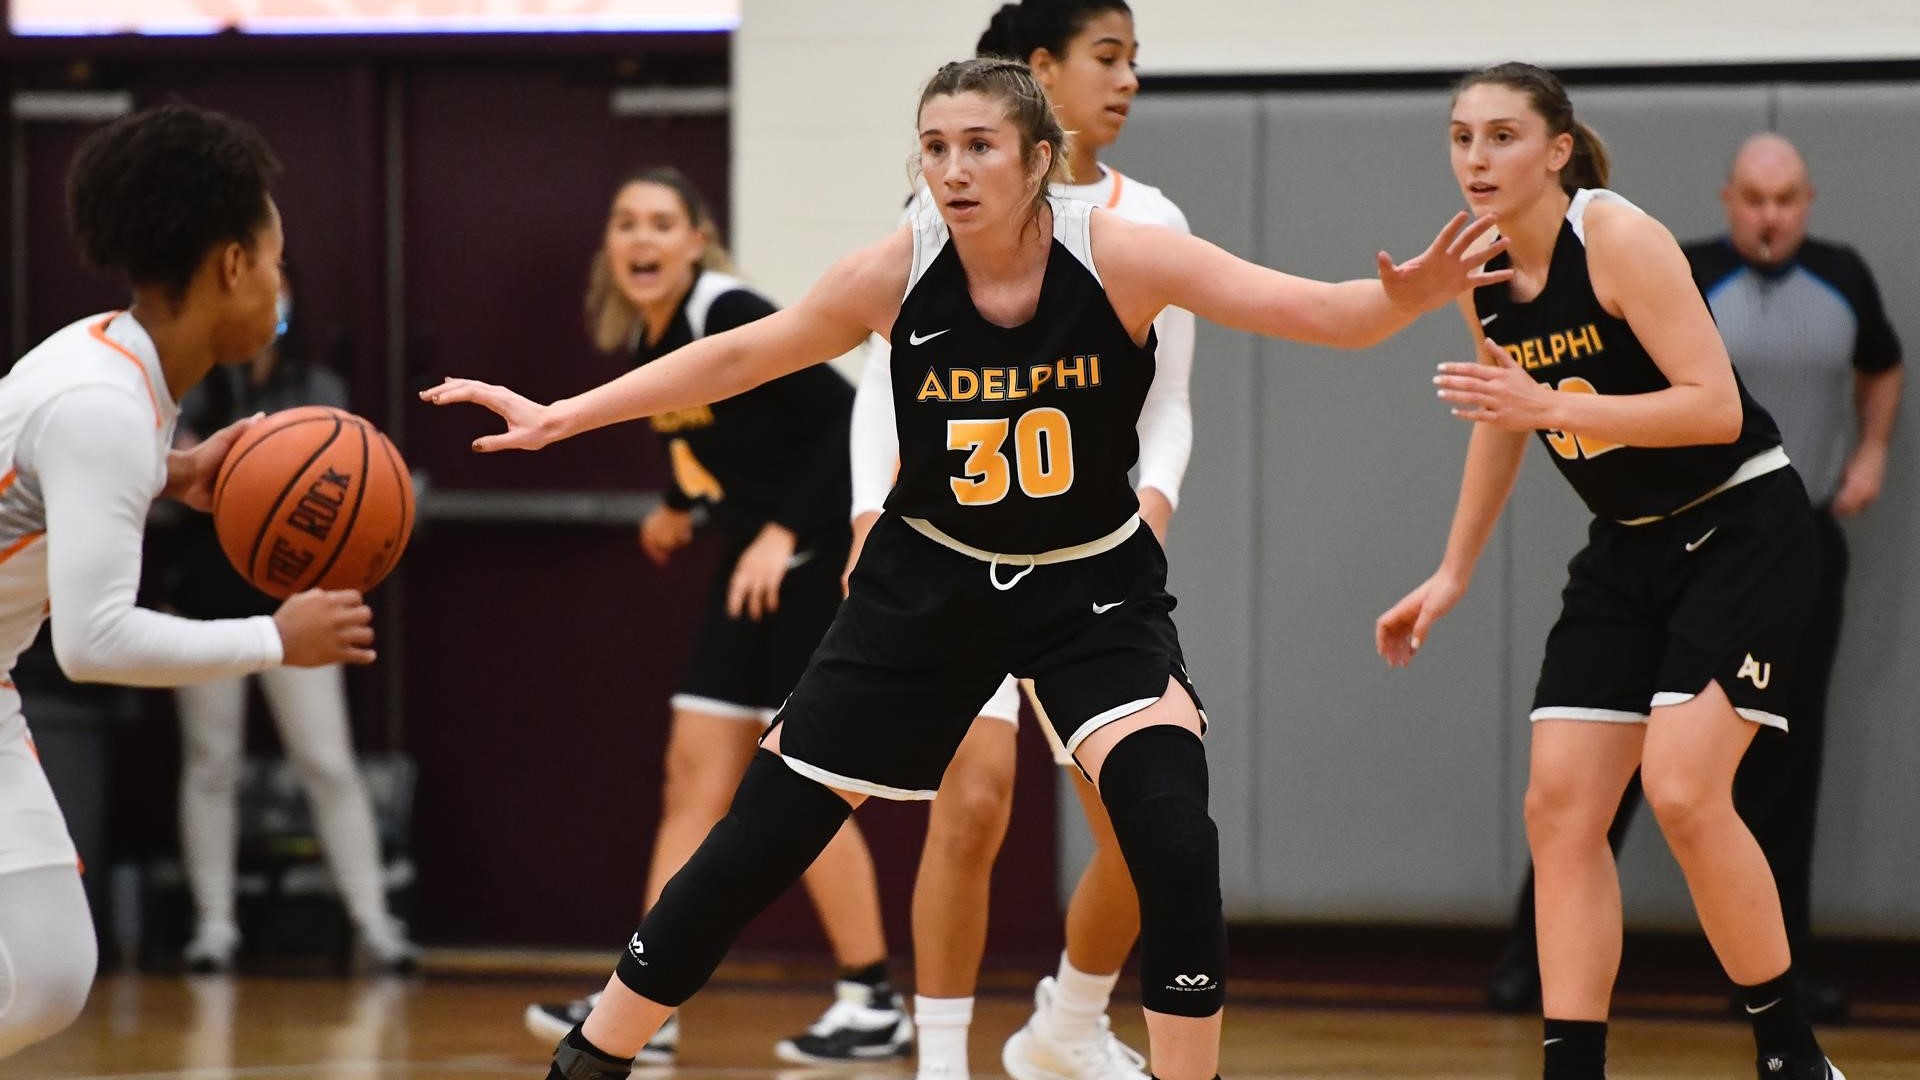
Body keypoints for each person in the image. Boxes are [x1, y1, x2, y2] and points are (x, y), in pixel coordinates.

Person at [425, 56, 1504, 1080]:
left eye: (979, 145)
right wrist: (564, 415)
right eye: (934, 146)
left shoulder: (1120, 252)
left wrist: (1408, 297)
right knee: (758, 838)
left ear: (1038, 159)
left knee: (1172, 828)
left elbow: (1318, 311)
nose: (950, 168)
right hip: (927, 586)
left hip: (1091, 587)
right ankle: (591, 1059)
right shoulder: (899, 266)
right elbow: (753, 351)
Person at [1379, 62, 1844, 1080]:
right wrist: (1452, 570)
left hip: (1743, 525)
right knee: (1559, 807)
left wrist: (1558, 409)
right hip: (1627, 543)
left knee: (1682, 790)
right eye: (1461, 136)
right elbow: (1503, 421)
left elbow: (1713, 407)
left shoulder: (1618, 238)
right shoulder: (1485, 269)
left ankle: (1790, 1054)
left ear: (1555, 150)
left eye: (1501, 136)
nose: (1475, 158)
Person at [844, 5, 1192, 1079]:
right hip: (956, 555)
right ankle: (940, 1060)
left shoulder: (1151, 220)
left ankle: (1068, 1024)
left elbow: (1171, 407)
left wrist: (1149, 518)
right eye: (1107, 58)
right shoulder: (944, 207)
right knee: (974, 796)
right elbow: (882, 383)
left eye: (1135, 59)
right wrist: (867, 515)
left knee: (1145, 828)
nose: (1129, 80)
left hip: (1088, 570)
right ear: (1039, 73)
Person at [1483, 132, 1902, 1025]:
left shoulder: (1844, 281)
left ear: (1809, 200)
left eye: (1786, 198)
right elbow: (1523, 391)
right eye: (1753, 196)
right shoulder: (1660, 262)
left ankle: (1784, 1010)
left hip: (1768, 532)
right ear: (1727, 198)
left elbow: (1876, 366)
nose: (1769, 214)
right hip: (1641, 540)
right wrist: (1452, 567)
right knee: (1574, 795)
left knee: (1739, 776)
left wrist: (1870, 450)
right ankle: (1540, 977)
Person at [0, 103, 374, 1058]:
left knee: (41, 973)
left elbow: (59, 487)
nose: (282, 285)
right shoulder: (103, 403)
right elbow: (94, 643)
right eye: (277, 258)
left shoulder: (117, 374)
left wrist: (176, 472)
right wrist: (275, 641)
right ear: (233, 264)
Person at [518, 169, 910, 1065]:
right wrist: (681, 505)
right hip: (749, 572)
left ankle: (872, 996)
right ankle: (644, 999)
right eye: (625, 223)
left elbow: (842, 418)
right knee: (692, 775)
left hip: (808, 568)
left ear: (698, 240)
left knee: (805, 783)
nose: (642, 239)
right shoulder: (650, 334)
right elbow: (727, 443)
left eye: (662, 223)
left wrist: (780, 528)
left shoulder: (727, 311)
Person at [164, 271, 420, 975]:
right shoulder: (183, 382)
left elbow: (348, 497)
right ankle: (214, 927)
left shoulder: (319, 390)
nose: (267, 300)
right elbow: (159, 496)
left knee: (327, 761)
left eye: (280, 287)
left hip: (297, 605)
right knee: (211, 763)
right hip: (206, 593)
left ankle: (374, 923)